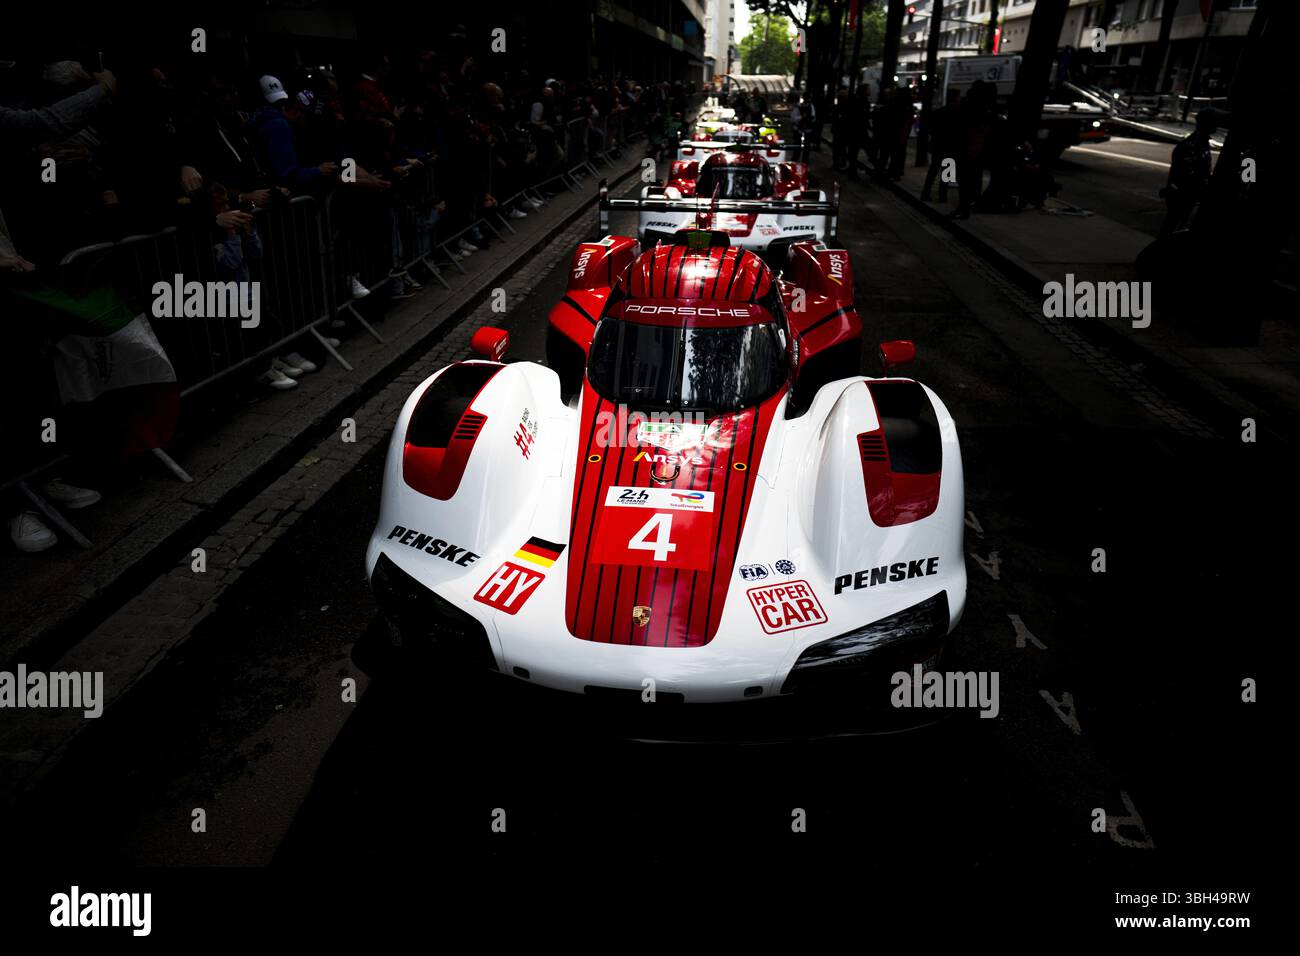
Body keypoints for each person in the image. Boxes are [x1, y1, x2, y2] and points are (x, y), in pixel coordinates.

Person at [1160, 109, 1216, 235]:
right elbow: (1187, 175)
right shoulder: (1191, 146)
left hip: (1188, 195)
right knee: (1172, 227)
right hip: (1182, 195)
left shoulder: (1202, 143)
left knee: (1178, 225)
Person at [921, 88, 962, 203]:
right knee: (947, 172)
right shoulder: (958, 113)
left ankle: (926, 192)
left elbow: (931, 128)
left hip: (938, 144)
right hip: (950, 146)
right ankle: (942, 195)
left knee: (933, 170)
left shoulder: (939, 112)